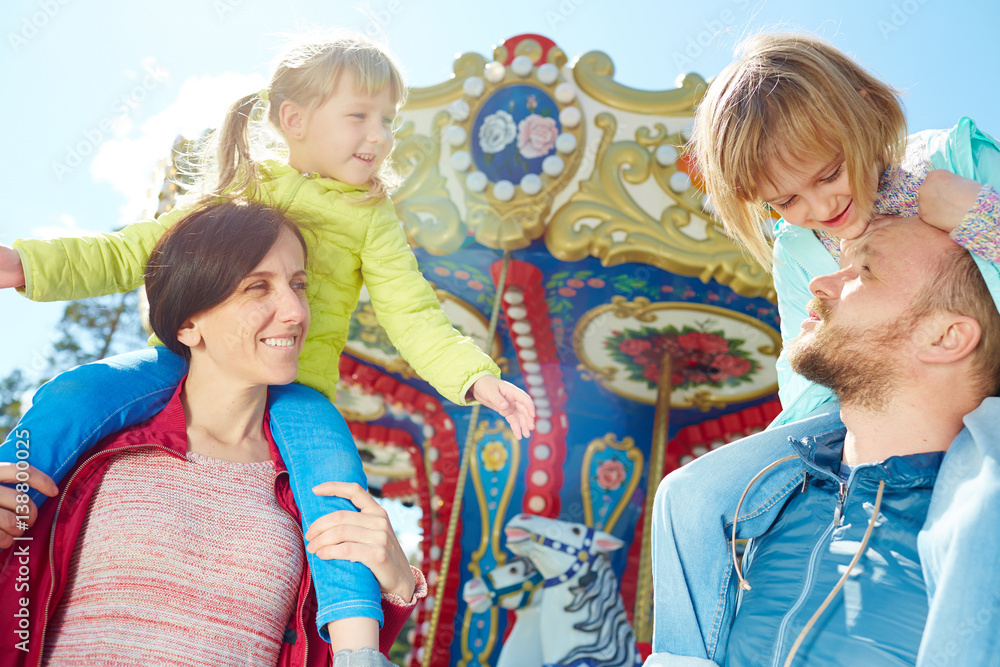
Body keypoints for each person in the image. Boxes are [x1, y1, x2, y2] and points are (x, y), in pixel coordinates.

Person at [0, 31, 534, 643]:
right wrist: (26, 266)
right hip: (183, 361)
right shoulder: (243, 191)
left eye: (387, 119)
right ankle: (14, 489)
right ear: (295, 119)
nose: (379, 134)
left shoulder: (372, 220)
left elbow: (411, 311)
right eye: (359, 115)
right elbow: (134, 249)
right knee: (80, 392)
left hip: (298, 387)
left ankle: (358, 645)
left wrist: (474, 374)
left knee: (336, 492)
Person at [647, 31, 1000, 661]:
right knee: (690, 494)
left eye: (828, 174)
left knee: (979, 511)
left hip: (981, 398)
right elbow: (806, 373)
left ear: (865, 114)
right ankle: (684, 655)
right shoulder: (797, 245)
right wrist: (813, 464)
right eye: (784, 200)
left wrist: (976, 213)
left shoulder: (952, 161)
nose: (817, 206)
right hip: (845, 415)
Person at [0, 200, 427, 666]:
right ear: (188, 324)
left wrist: (396, 588)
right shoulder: (93, 454)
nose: (295, 312)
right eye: (257, 287)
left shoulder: (313, 487)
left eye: (298, 284)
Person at [647, 218, 1000, 665]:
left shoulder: (983, 540)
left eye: (864, 271)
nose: (818, 281)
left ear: (946, 336)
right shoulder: (777, 504)